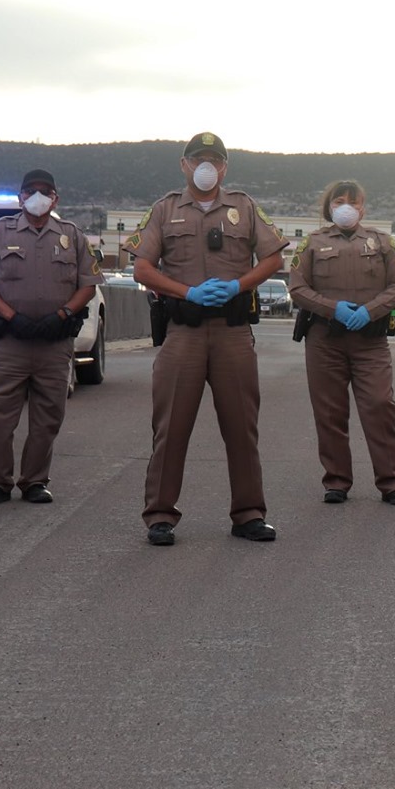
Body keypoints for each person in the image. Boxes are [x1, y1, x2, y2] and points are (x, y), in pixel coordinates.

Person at [130, 132, 288, 544]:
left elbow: (274, 257)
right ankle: (160, 515)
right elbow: (142, 269)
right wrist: (186, 292)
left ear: (224, 167)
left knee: (241, 426)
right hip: (183, 331)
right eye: (198, 159)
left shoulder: (244, 206)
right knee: (170, 427)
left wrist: (239, 286)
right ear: (184, 165)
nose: (206, 166)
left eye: (214, 160)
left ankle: (249, 513)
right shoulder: (165, 209)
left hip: (233, 332)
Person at [0, 169, 99, 504]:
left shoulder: (72, 235)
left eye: (45, 191)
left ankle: (35, 481)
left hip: (55, 342)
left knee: (48, 416)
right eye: (31, 190)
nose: (37, 196)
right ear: (20, 197)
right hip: (12, 340)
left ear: (55, 198)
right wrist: (12, 317)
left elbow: (88, 284)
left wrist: (63, 315)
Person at [285, 180, 395, 505]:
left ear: (363, 208)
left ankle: (391, 481)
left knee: (380, 405)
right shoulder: (310, 244)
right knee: (329, 411)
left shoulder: (383, 242)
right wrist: (333, 309)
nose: (346, 206)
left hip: (370, 340)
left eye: (353, 202)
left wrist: (370, 312)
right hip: (325, 340)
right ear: (329, 207)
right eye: (339, 201)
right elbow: (297, 288)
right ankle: (337, 481)